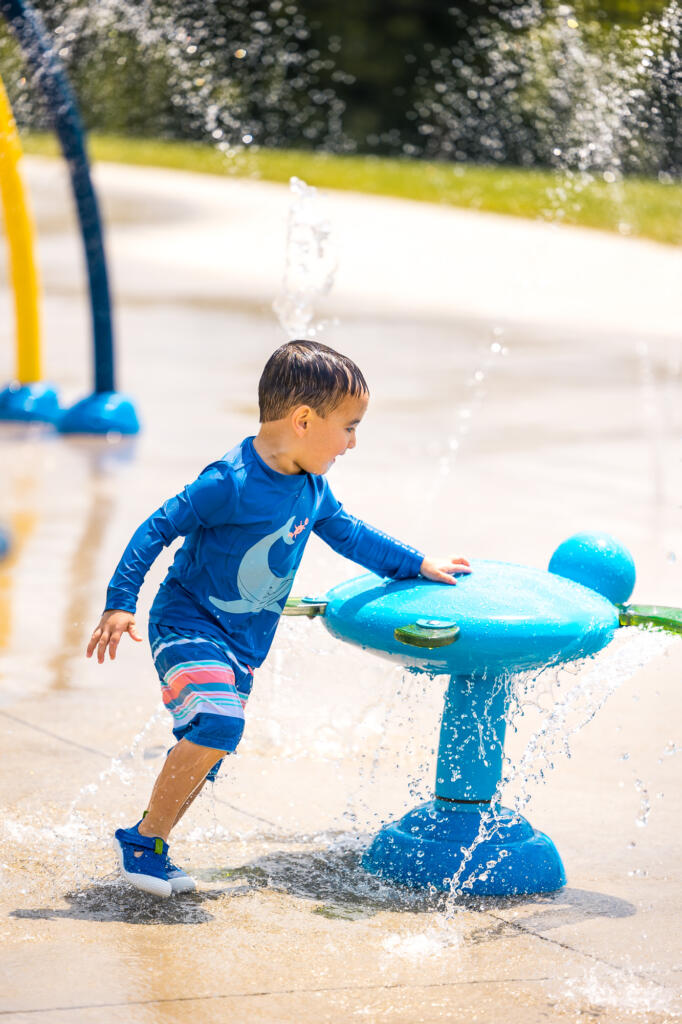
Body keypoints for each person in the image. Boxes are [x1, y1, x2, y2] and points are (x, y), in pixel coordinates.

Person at [86, 339, 471, 898]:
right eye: (349, 427)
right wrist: (121, 602)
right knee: (220, 726)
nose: (352, 443)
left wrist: (416, 564)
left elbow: (351, 534)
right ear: (304, 420)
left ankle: (154, 844)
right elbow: (156, 528)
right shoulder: (229, 482)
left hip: (242, 645)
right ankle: (142, 842)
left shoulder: (311, 487)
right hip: (187, 626)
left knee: (211, 748)